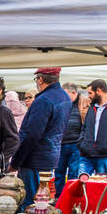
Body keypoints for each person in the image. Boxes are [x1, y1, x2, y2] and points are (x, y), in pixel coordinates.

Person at [9, 67, 70, 204]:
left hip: (35, 158)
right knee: (40, 203)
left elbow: (31, 135)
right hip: (50, 156)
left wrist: (16, 162)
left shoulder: (44, 100)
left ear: (41, 79)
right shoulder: (64, 96)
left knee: (29, 203)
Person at [77, 79, 107, 175]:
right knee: (80, 183)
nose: (89, 96)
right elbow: (85, 127)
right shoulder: (92, 107)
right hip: (86, 153)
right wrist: (82, 143)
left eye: (90, 93)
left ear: (98, 91)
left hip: (105, 154)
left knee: (101, 185)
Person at [56, 82, 87, 184]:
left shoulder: (84, 103)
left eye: (65, 93)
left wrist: (81, 142)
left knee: (73, 173)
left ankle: (70, 197)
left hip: (76, 144)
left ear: (73, 92)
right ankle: (59, 196)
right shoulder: (62, 103)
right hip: (61, 143)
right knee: (59, 172)